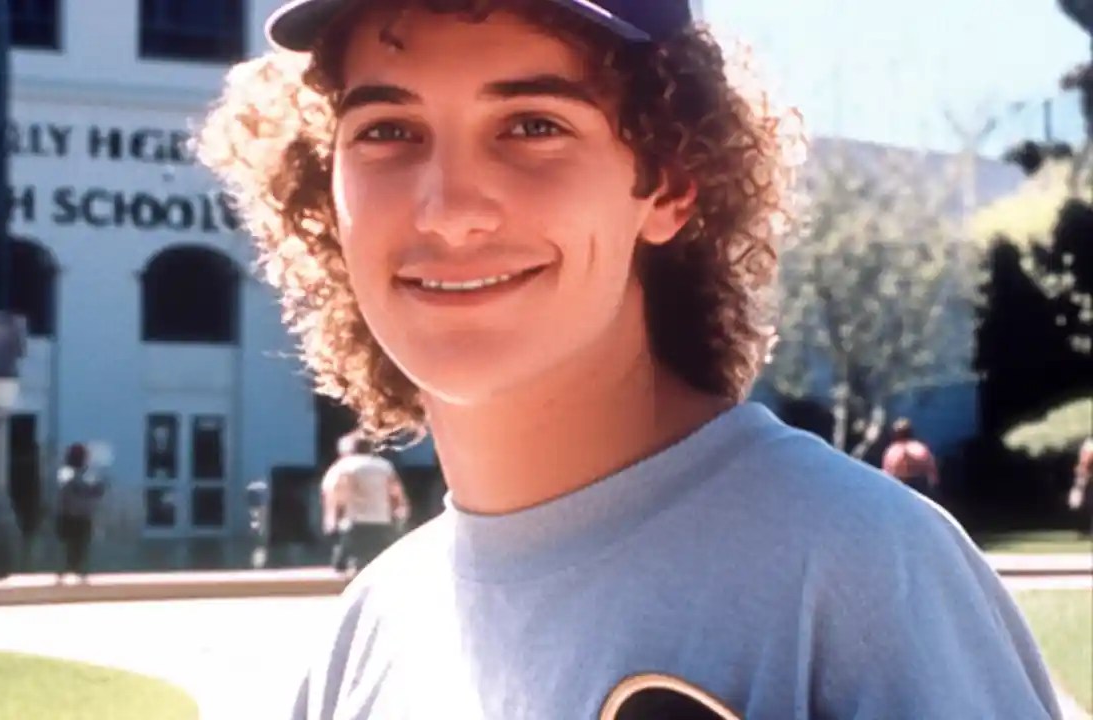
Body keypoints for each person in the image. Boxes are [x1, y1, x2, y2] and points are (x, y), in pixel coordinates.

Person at [197, 1, 1062, 717]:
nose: (447, 210)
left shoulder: (854, 570)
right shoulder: (367, 636)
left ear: (671, 182)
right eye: (387, 129)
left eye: (533, 125)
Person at [321, 433, 411, 574]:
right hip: (381, 523)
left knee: (341, 565)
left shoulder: (344, 466)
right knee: (382, 563)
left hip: (354, 524)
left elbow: (335, 494)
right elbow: (395, 493)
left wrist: (332, 519)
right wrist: (400, 513)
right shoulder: (384, 466)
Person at [54, 443, 106, 583]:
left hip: (81, 516)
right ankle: (66, 571)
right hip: (69, 516)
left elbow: (96, 490)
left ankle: (78, 571)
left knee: (80, 546)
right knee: (69, 547)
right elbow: (73, 488)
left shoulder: (86, 474)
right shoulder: (66, 473)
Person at [880, 417, 941, 499]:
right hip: (919, 489)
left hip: (901, 488)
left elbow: (885, 475)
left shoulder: (891, 451)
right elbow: (932, 472)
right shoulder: (920, 448)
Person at [1070, 436, 1093, 535]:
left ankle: (1085, 528)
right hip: (1086, 477)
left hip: (1086, 476)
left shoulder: (1088, 445)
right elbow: (1085, 461)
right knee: (1086, 502)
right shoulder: (1089, 445)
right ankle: (1085, 528)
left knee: (1087, 503)